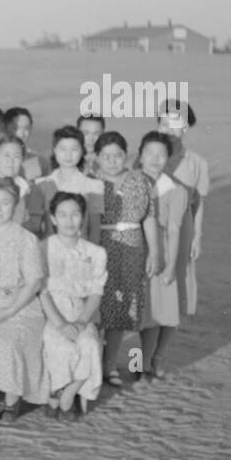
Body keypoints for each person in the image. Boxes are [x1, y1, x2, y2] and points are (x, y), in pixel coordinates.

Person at [0, 178, 49, 423]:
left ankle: (12, 399)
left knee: (12, 340)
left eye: (5, 203)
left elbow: (33, 281)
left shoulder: (26, 238)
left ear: (16, 206)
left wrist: (8, 311)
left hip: (20, 305)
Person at [95, 132, 159, 388]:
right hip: (101, 245)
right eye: (106, 156)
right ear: (97, 157)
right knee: (99, 306)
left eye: (118, 155)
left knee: (121, 309)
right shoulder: (91, 181)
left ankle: (108, 367)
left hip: (133, 246)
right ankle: (91, 367)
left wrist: (155, 251)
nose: (112, 161)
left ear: (127, 154)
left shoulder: (140, 180)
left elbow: (149, 217)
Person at [40, 192, 108, 420]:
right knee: (59, 345)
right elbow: (41, 291)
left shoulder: (95, 252)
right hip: (50, 312)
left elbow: (96, 293)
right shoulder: (42, 248)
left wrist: (81, 321)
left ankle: (69, 393)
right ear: (53, 218)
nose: (69, 221)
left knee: (89, 343)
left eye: (75, 214)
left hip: (82, 312)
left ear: (83, 218)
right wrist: (59, 324)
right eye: (63, 215)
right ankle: (53, 391)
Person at [136, 131, 188, 381]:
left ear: (168, 158)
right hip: (135, 249)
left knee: (159, 314)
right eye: (150, 153)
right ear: (140, 155)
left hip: (163, 252)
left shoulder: (176, 190)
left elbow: (175, 229)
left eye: (161, 154)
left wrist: (169, 268)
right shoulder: (132, 182)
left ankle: (148, 363)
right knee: (140, 315)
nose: (155, 159)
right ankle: (140, 363)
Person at [159, 100, 209, 323]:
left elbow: (198, 203)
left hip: (183, 223)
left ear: (186, 128)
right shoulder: (148, 156)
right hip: (153, 221)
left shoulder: (197, 163)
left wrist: (197, 237)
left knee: (178, 270)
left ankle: (170, 320)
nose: (169, 129)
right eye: (163, 123)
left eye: (175, 124)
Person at [36, 125, 104, 244]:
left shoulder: (94, 186)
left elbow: (95, 229)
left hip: (81, 253)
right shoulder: (41, 184)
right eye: (63, 149)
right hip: (49, 251)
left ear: (82, 151)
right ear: (54, 150)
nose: (68, 155)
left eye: (74, 149)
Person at [0, 135, 47, 235]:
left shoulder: (32, 191)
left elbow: (35, 226)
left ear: (22, 160)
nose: (11, 162)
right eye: (6, 155)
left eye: (16, 157)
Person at [6, 107, 49, 180]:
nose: (22, 133)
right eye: (16, 128)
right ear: (4, 128)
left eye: (26, 128)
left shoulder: (38, 161)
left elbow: (47, 189)